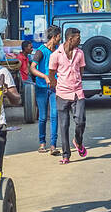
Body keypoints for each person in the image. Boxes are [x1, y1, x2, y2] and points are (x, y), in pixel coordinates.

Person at [49, 27, 87, 164]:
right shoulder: (56, 55)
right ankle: (66, 155)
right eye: (78, 37)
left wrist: (76, 82)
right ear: (70, 39)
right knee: (64, 126)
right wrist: (56, 88)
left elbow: (81, 71)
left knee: (80, 121)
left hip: (78, 92)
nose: (80, 40)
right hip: (62, 94)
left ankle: (78, 141)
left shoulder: (80, 53)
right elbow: (51, 74)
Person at [30, 26, 61, 154]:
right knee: (42, 117)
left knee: (55, 115)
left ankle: (53, 145)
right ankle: (42, 143)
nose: (60, 39)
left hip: (55, 88)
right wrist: (45, 76)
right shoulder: (41, 51)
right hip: (42, 88)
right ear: (54, 37)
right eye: (59, 37)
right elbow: (32, 68)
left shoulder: (58, 51)